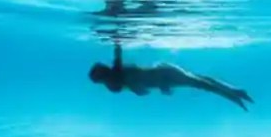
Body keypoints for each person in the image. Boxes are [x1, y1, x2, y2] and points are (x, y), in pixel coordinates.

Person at [88, 44, 254, 110]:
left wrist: (160, 86)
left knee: (202, 83)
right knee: (202, 81)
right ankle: (236, 92)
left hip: (166, 74)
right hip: (165, 73)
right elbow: (141, 87)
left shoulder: (120, 77)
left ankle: (234, 96)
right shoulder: (119, 77)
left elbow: (142, 89)